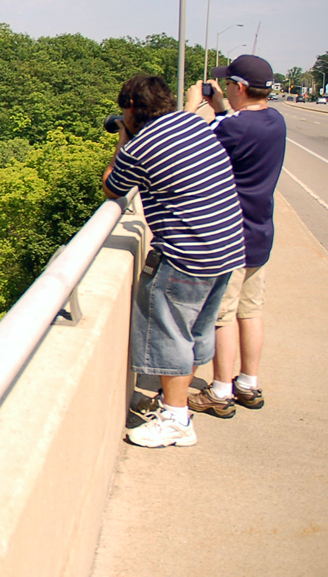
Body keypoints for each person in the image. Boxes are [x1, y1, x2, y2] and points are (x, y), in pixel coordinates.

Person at [102, 74, 245, 447]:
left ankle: (176, 420)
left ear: (132, 108)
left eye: (124, 112)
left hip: (187, 253)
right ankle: (175, 405)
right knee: (196, 330)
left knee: (166, 332)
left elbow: (111, 187)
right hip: (227, 247)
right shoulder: (191, 122)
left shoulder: (140, 146)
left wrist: (122, 138)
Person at [183, 55, 285, 417]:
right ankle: (248, 383)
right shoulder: (275, 120)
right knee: (251, 311)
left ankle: (220, 391)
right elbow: (237, 120)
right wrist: (222, 107)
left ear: (239, 87)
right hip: (261, 232)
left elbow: (189, 141)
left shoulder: (234, 128)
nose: (224, 87)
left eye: (228, 84)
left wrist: (194, 105)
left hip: (231, 236)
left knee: (221, 316)